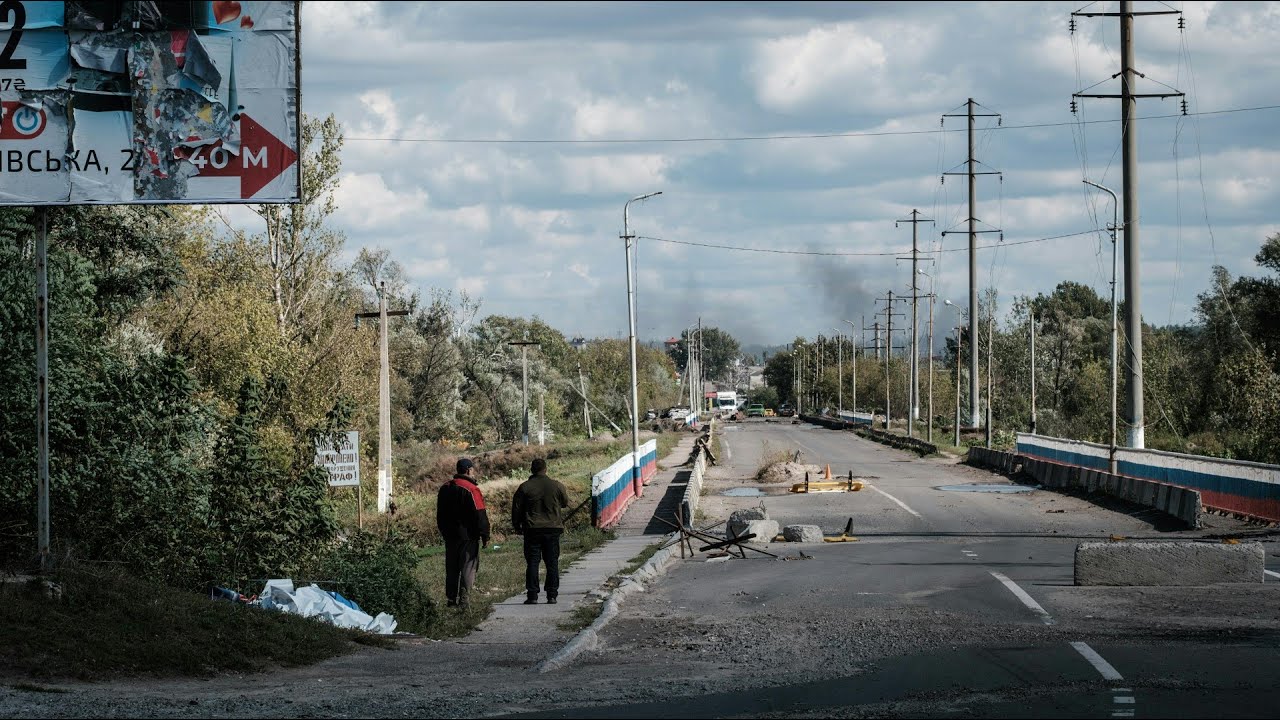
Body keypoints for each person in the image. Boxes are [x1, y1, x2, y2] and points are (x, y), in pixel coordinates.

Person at [511, 457, 570, 604]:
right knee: (552, 562)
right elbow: (565, 503)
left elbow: (516, 510)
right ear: (546, 469)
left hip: (532, 530)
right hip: (552, 529)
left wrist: (517, 526)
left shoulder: (524, 487)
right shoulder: (557, 486)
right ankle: (552, 595)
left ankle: (532, 595)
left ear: (531, 469)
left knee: (532, 562)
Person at [436, 458, 490, 608]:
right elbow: (480, 514)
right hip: (468, 536)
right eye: (472, 470)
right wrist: (485, 534)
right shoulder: (472, 489)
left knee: (452, 568)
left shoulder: (445, 488)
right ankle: (464, 600)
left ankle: (451, 600)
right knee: (468, 567)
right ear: (468, 470)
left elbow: (440, 514)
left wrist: (443, 531)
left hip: (450, 535)